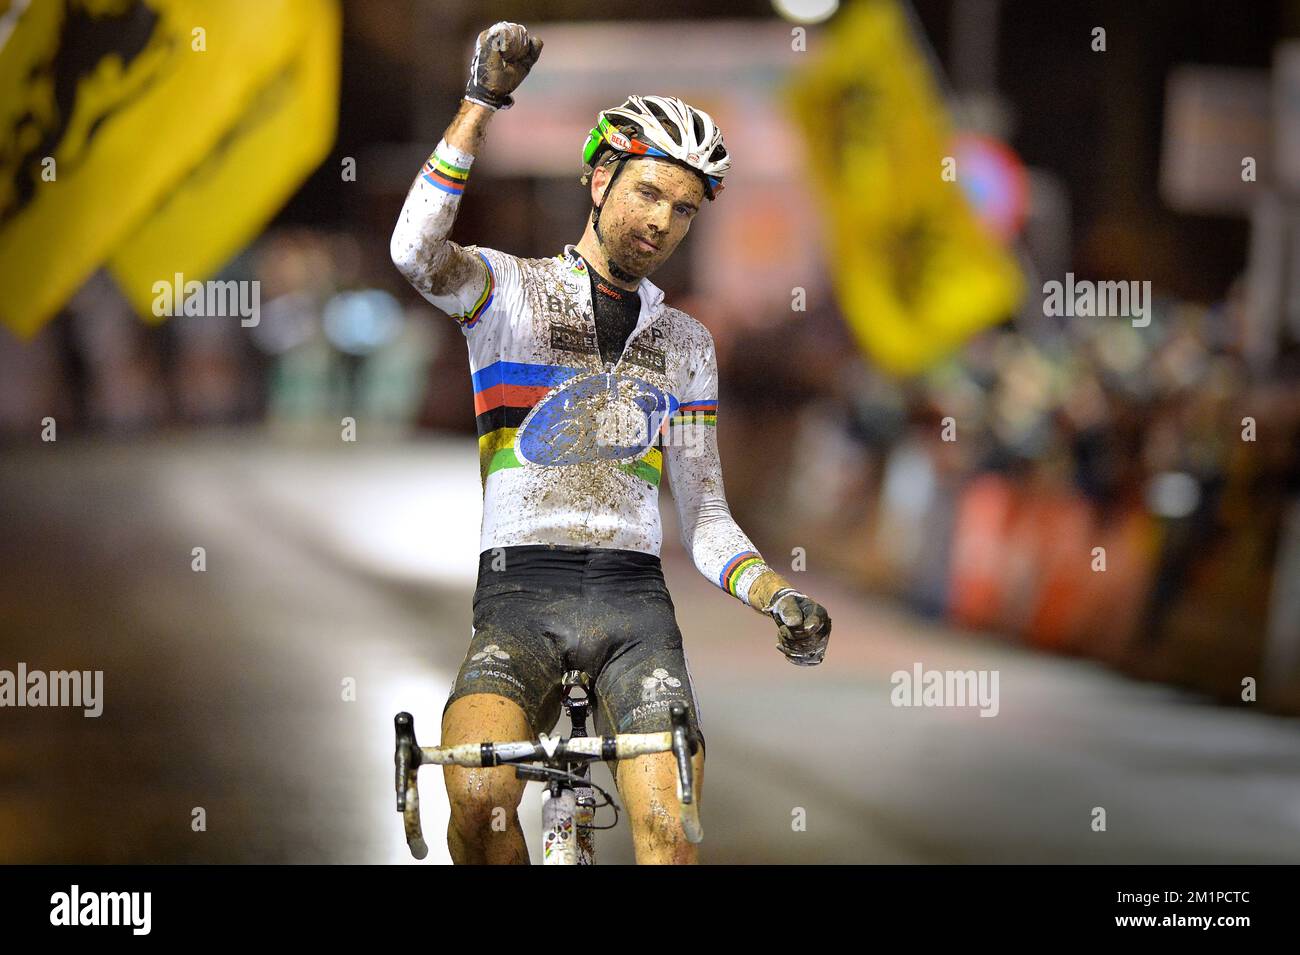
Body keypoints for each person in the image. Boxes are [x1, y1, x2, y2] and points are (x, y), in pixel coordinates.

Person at [390, 21, 831, 864]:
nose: (663, 221)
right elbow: (414, 253)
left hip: (634, 609)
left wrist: (779, 596)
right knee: (480, 801)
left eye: (684, 209)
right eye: (648, 193)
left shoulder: (687, 344)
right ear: (599, 177)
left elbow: (705, 518)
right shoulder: (508, 291)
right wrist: (481, 103)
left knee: (670, 829)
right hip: (520, 594)